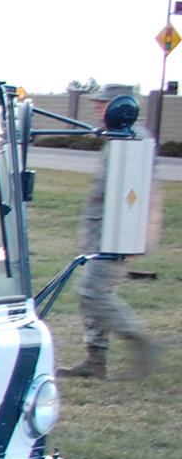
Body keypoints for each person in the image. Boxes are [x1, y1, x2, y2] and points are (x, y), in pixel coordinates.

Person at [66, 155, 162, 379]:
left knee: (92, 293)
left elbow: (135, 195)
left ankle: (139, 339)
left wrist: (130, 239)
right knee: (91, 295)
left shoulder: (131, 144)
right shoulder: (118, 142)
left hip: (115, 238)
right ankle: (95, 361)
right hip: (103, 237)